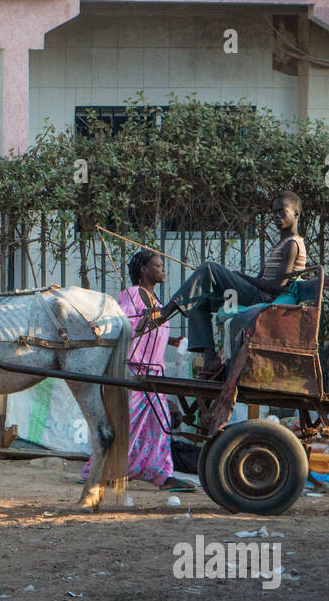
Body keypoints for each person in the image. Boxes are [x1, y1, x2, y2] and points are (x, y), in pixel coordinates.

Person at [144, 192, 307, 378]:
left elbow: (277, 287)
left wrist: (242, 277)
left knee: (209, 267)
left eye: (282, 212)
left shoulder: (292, 244)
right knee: (198, 301)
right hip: (258, 293)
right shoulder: (280, 244)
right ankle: (209, 358)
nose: (276, 216)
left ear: (296, 214)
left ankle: (165, 312)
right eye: (274, 212)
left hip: (266, 298)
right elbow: (262, 279)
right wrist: (242, 279)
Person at [81, 252, 193, 492]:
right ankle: (100, 470)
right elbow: (131, 327)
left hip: (153, 374)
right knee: (126, 425)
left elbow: (153, 329)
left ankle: (162, 475)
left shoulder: (153, 300)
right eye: (158, 265)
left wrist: (173, 340)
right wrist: (172, 307)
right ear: (144, 270)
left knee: (158, 425)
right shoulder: (132, 295)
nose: (163, 270)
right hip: (135, 373)